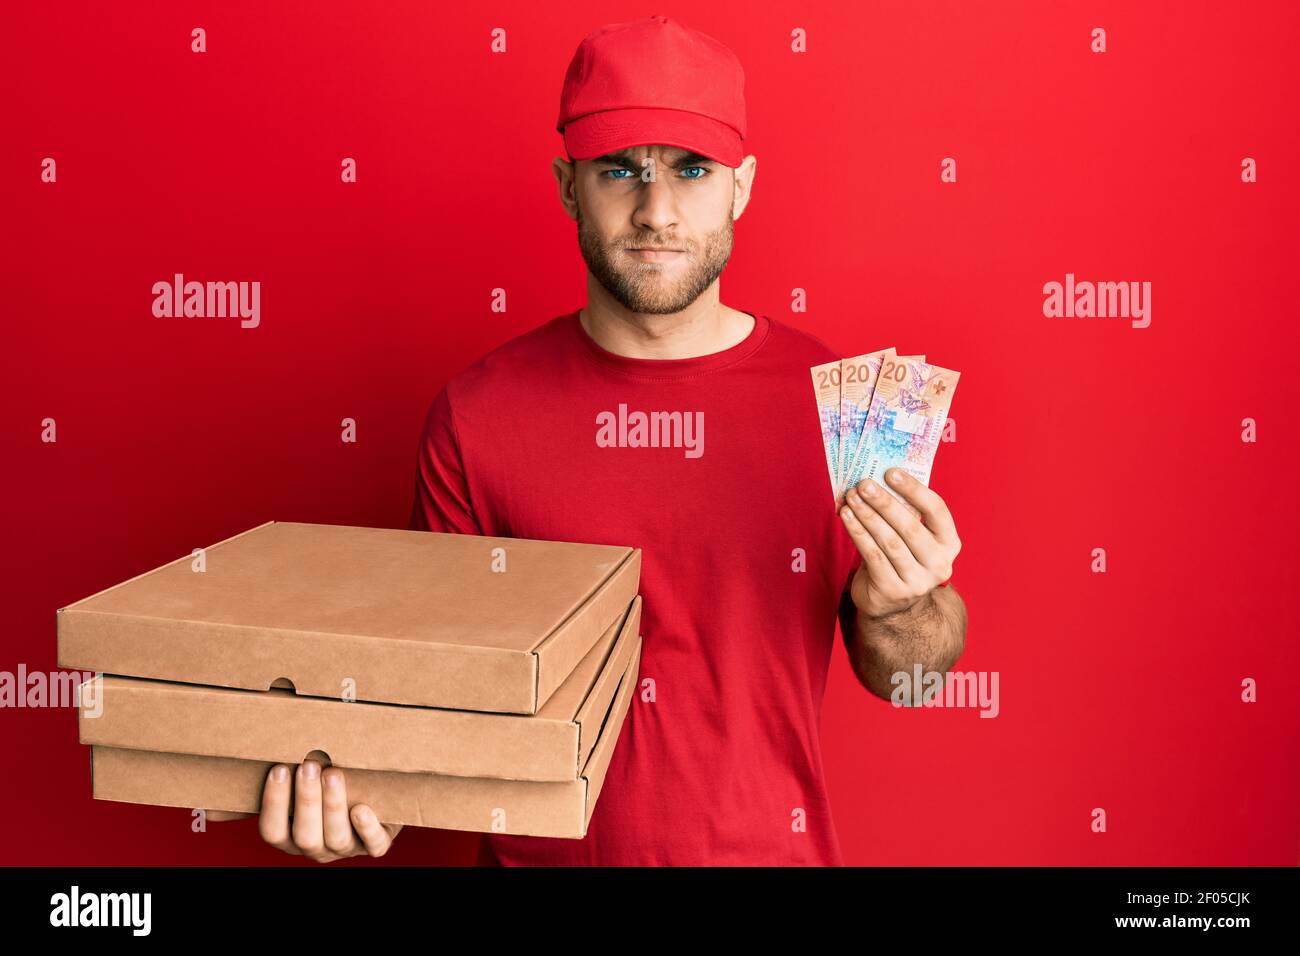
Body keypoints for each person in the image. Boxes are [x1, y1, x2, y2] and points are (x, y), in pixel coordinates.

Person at [213, 14, 966, 866]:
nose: (656, 211)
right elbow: (442, 691)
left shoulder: (840, 409)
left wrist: (904, 606)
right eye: (620, 171)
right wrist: (361, 801)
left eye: (691, 170)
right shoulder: (477, 416)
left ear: (742, 187)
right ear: (569, 187)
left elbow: (915, 677)